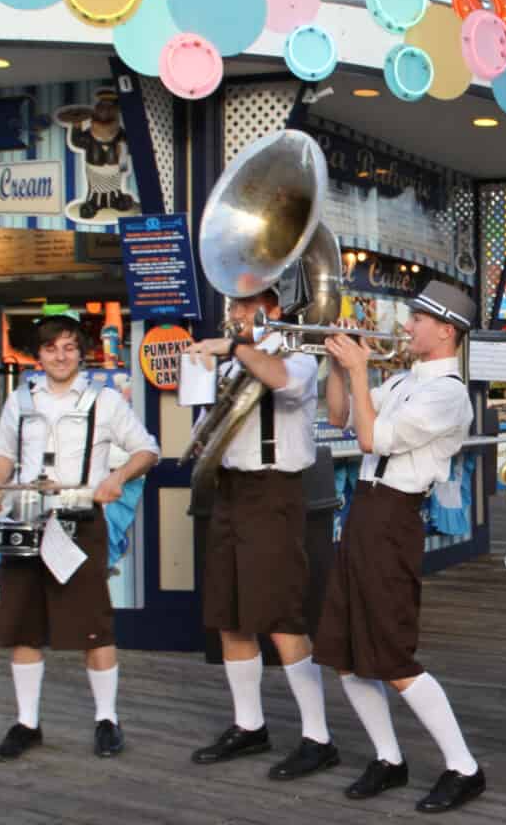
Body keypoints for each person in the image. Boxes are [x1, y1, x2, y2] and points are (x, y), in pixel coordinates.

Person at [316, 281, 486, 814]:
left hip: (394, 517)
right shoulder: (405, 380)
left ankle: (464, 767)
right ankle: (388, 758)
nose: (406, 326)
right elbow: (341, 417)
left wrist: (361, 369)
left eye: (417, 319)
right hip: (365, 512)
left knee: (393, 655)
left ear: (446, 331)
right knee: (344, 653)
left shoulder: (448, 394)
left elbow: (372, 440)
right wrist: (339, 366)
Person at [0, 306, 159, 762]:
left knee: (92, 625)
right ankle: (27, 724)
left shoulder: (105, 401)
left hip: (79, 521)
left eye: (69, 348)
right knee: (23, 626)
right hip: (27, 520)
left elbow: (147, 450)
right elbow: (2, 453)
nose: (60, 357)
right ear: (37, 355)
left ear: (82, 353)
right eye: (51, 348)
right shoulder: (21, 400)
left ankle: (107, 719)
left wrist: (118, 477)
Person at [183, 288, 338, 781]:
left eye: (245, 307)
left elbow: (281, 382)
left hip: (273, 492)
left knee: (281, 616)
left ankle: (318, 737)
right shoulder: (233, 362)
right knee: (229, 616)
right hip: (229, 490)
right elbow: (206, 422)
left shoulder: (298, 356)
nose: (234, 314)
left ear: (273, 311)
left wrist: (232, 347)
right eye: (233, 306)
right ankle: (249, 725)